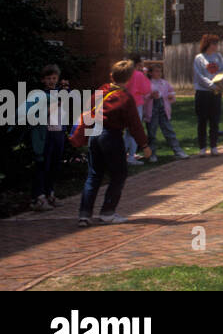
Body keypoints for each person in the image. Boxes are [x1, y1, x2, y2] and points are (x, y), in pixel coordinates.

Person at [70, 60, 151, 226]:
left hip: (94, 134)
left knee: (93, 175)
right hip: (111, 136)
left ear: (111, 76)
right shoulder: (125, 98)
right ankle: (107, 212)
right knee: (119, 174)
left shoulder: (100, 92)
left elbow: (87, 113)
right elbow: (135, 124)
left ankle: (84, 214)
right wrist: (144, 145)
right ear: (129, 79)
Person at [27, 64, 66, 211]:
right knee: (43, 166)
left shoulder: (60, 92)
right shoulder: (40, 95)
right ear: (43, 80)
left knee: (54, 166)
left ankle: (50, 193)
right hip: (45, 134)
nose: (51, 81)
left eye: (54, 78)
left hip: (58, 133)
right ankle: (38, 197)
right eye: (48, 78)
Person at [144, 62, 188, 161]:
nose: (159, 73)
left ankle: (177, 150)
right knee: (152, 132)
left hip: (163, 109)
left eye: (160, 71)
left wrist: (171, 97)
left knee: (169, 130)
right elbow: (143, 97)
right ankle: (152, 153)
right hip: (152, 110)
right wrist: (150, 96)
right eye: (156, 71)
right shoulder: (147, 83)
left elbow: (171, 92)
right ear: (151, 73)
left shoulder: (164, 83)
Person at [192, 33, 223, 156]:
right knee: (202, 120)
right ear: (207, 44)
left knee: (215, 120)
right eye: (214, 43)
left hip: (216, 93)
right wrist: (212, 85)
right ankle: (202, 147)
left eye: (217, 43)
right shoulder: (199, 58)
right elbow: (200, 76)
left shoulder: (218, 57)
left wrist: (220, 83)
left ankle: (213, 146)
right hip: (203, 93)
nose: (216, 46)